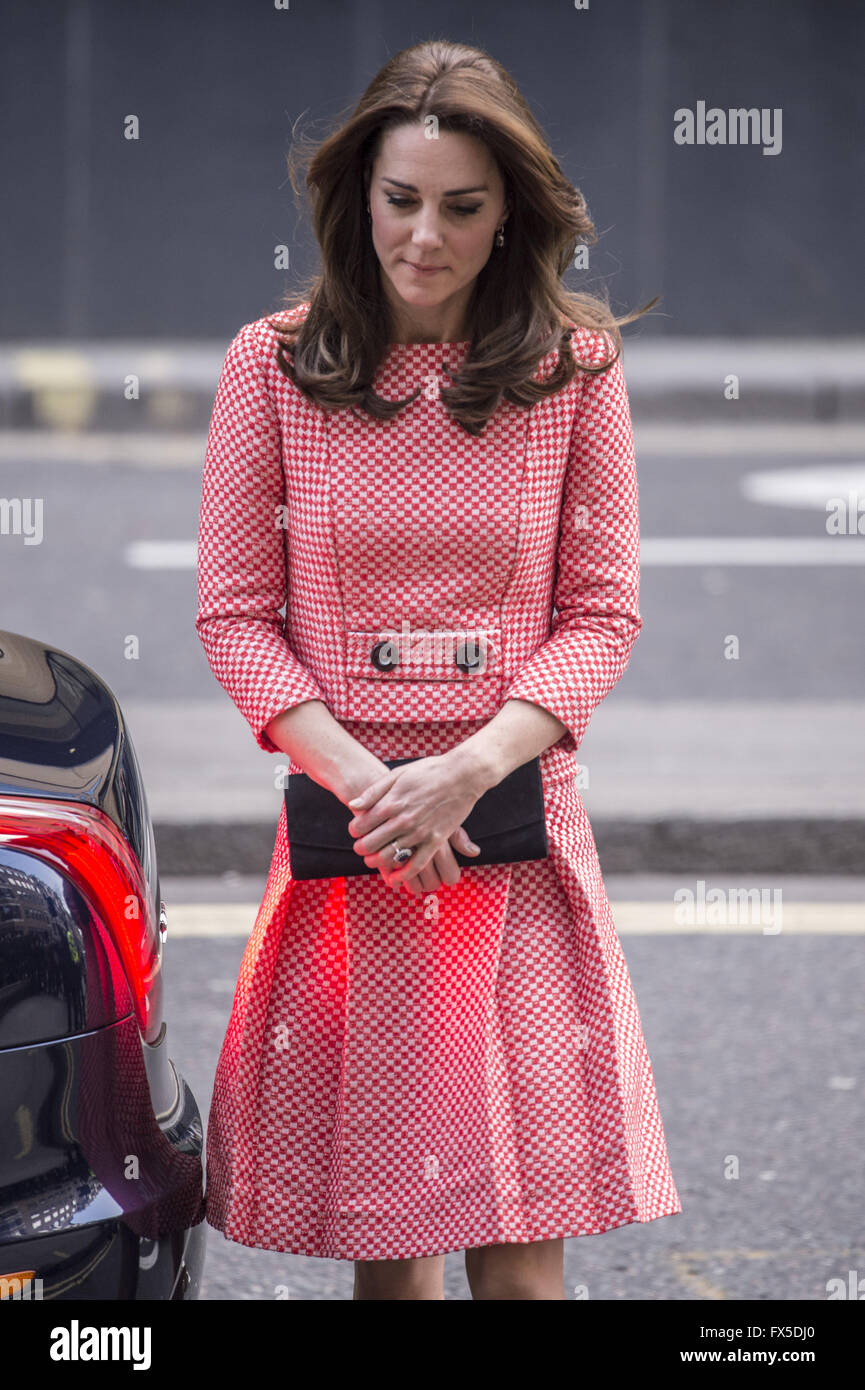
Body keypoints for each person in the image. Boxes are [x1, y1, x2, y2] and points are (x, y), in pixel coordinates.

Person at [195, 37, 682, 1301]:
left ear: (509, 210)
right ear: (359, 197)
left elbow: (602, 615)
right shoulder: (272, 364)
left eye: (461, 207)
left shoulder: (573, 370)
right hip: (358, 829)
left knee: (521, 1262)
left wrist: (461, 772)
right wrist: (380, 791)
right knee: (394, 1261)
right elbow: (236, 614)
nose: (425, 235)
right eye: (401, 200)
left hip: (509, 827)